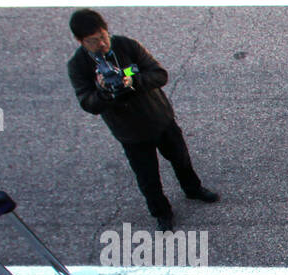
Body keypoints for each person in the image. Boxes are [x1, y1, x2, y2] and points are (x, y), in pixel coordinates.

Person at [67, 9, 218, 231]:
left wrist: (133, 81)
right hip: (130, 133)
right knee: (148, 178)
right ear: (80, 41)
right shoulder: (78, 66)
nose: (101, 44)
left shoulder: (127, 46)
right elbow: (88, 103)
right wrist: (103, 91)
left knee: (181, 159)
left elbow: (160, 74)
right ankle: (161, 213)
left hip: (160, 119)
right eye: (93, 40)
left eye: (103, 36)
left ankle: (193, 189)